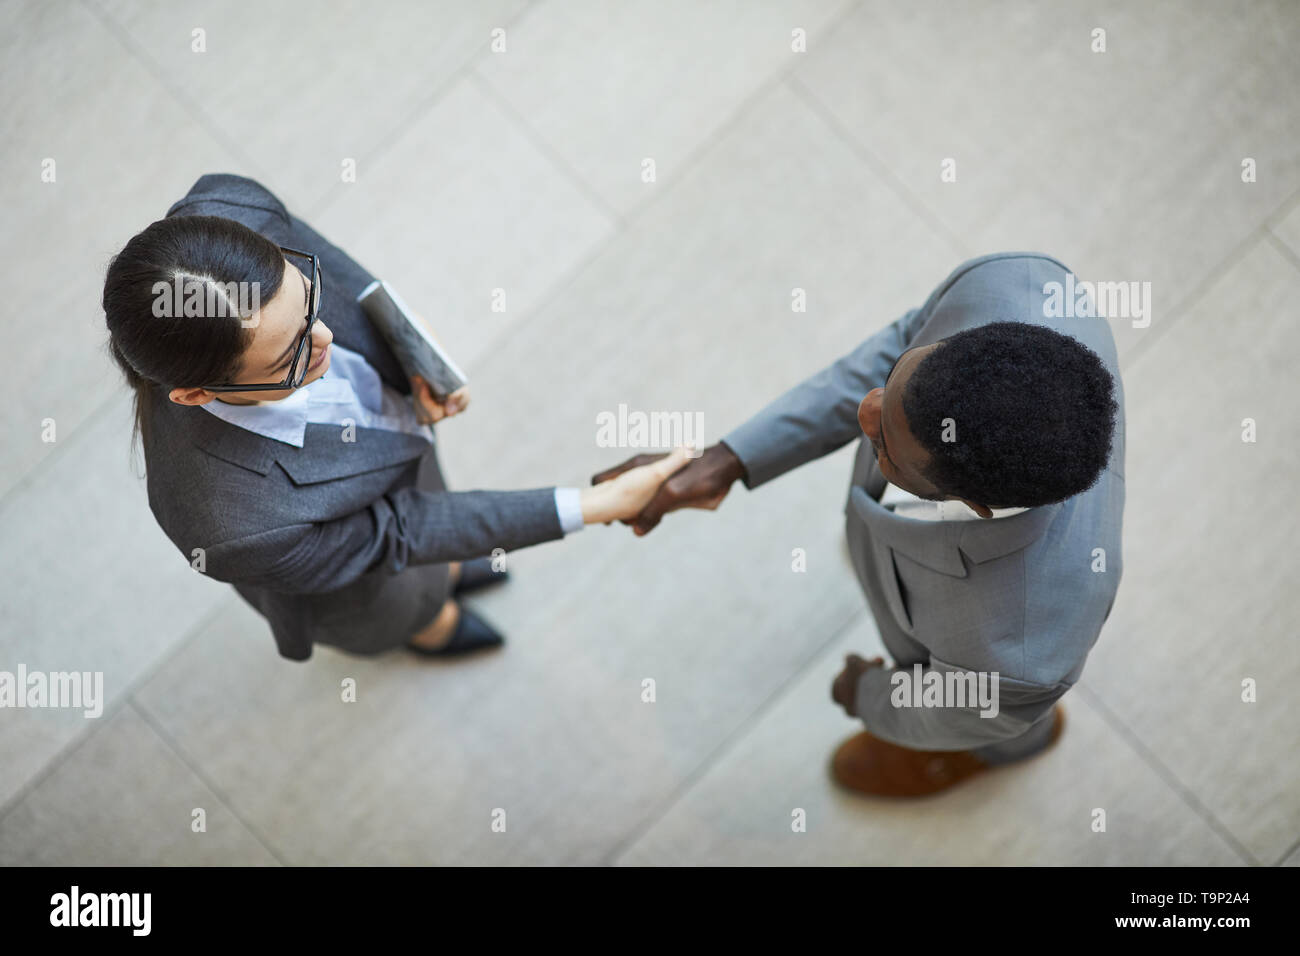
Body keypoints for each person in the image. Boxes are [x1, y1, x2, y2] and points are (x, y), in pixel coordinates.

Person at [594, 252, 1124, 797]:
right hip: (915, 548)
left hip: (968, 672)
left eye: (885, 446)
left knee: (1000, 729)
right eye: (897, 382)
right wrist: (731, 458)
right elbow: (892, 350)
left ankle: (1011, 752)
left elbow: (941, 713)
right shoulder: (1015, 285)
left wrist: (869, 694)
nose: (865, 411)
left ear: (973, 503)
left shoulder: (1019, 654)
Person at [103, 173, 688, 662]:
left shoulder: (230, 210)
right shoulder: (239, 528)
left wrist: (410, 343)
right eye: (293, 355)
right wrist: (598, 505)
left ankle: (454, 572)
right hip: (359, 583)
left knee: (436, 504)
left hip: (392, 457)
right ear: (194, 394)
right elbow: (403, 531)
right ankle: (432, 629)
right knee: (412, 603)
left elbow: (349, 278)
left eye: (308, 302)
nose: (327, 340)